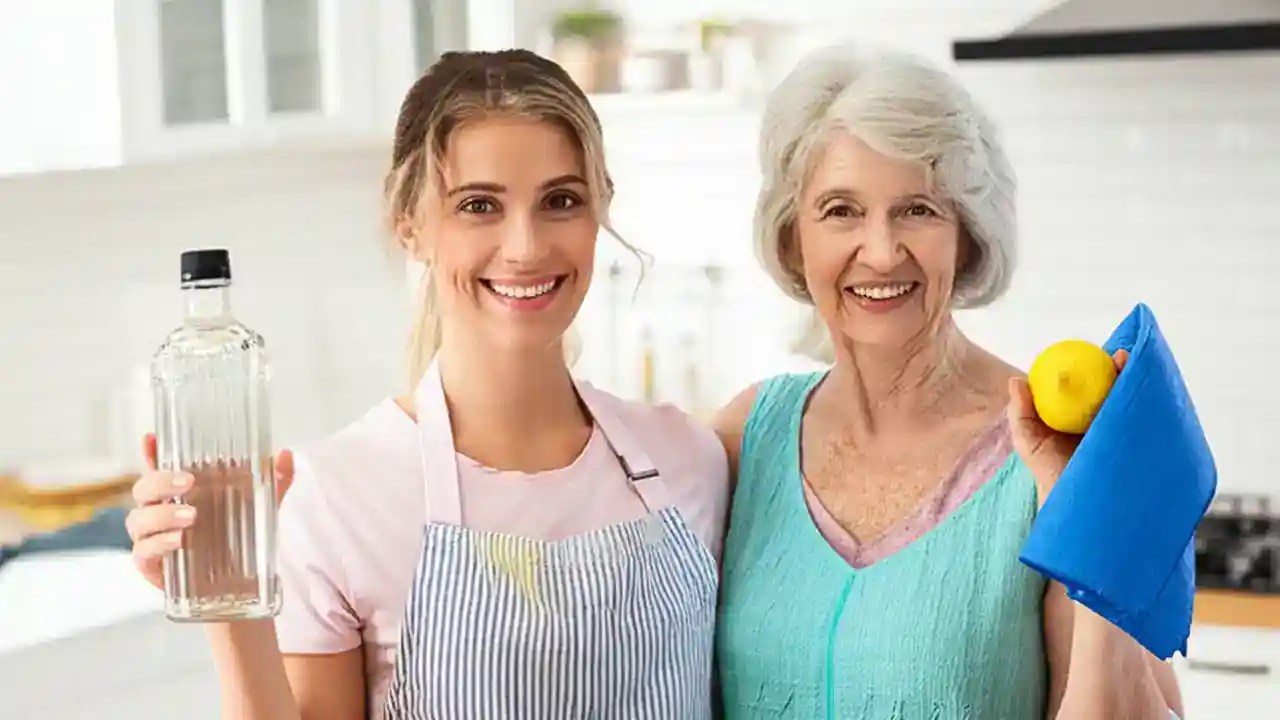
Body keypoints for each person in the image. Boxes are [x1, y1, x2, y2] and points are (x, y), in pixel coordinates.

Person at [125, 49, 729, 719]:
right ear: (409, 226)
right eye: (479, 206)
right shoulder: (337, 495)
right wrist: (228, 597)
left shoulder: (688, 462)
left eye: (561, 200)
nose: (525, 246)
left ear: (600, 211)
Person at [712, 45, 1184, 719]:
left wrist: (1089, 519)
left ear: (968, 234)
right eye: (841, 210)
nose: (880, 251)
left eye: (918, 210)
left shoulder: (1052, 451)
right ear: (794, 238)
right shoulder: (741, 440)